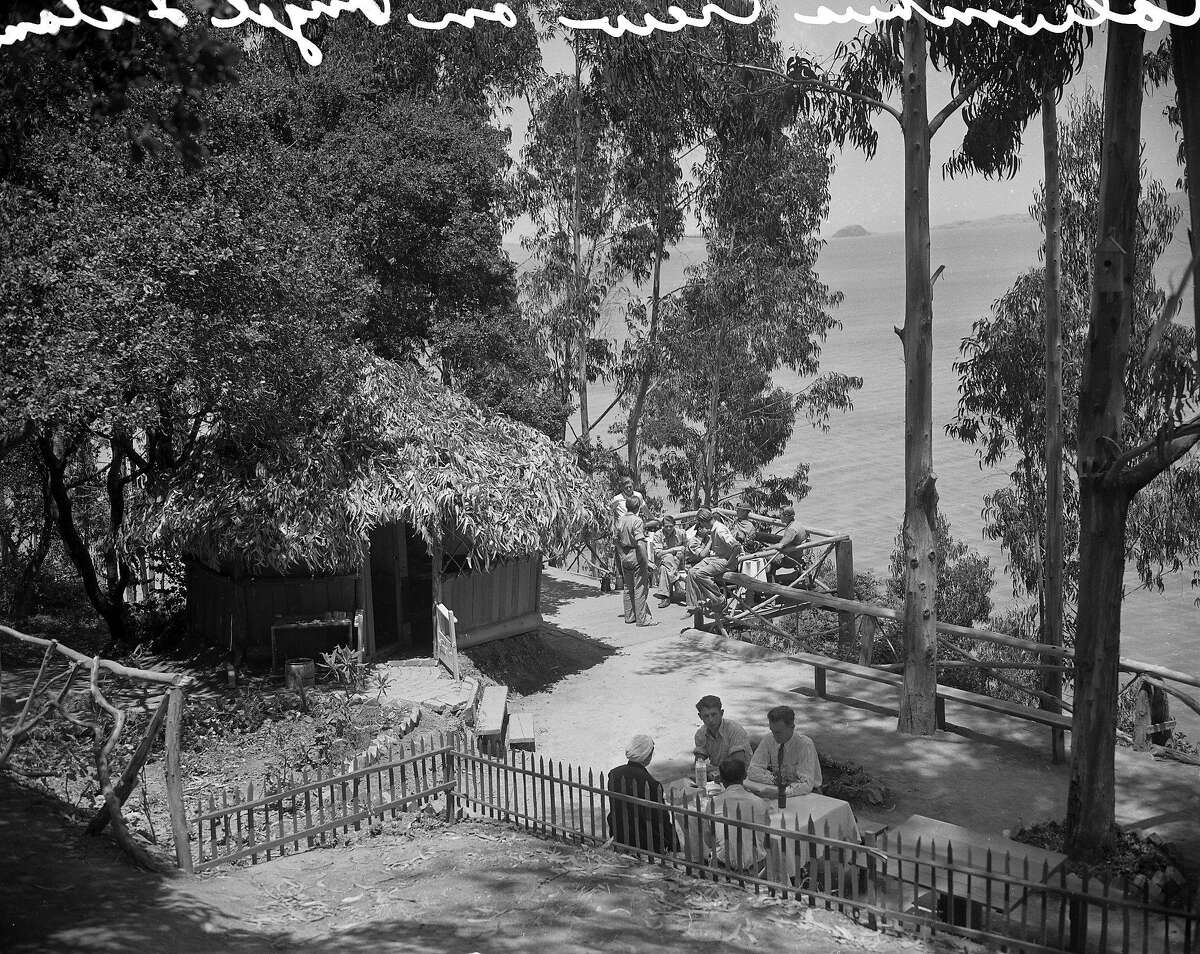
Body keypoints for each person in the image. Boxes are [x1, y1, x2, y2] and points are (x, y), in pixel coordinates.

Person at [606, 734, 677, 853]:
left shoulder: (614, 774)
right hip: (645, 839)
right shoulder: (651, 784)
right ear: (648, 756)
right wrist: (673, 842)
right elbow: (661, 818)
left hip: (621, 833)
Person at [745, 705, 822, 798]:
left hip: (809, 794)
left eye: (778, 732)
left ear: (792, 727)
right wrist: (775, 780)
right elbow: (752, 770)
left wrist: (781, 792)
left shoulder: (805, 745)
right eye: (772, 731)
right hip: (781, 789)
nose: (774, 736)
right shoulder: (769, 739)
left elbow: (806, 784)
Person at [708, 759, 769, 873]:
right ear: (745, 776)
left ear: (721, 779)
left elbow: (707, 838)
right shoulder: (760, 803)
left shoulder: (714, 803)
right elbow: (766, 836)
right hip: (755, 867)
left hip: (723, 866)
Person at [684, 508, 742, 616]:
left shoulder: (720, 530)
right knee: (691, 572)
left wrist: (730, 562)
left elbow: (737, 546)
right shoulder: (713, 529)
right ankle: (693, 605)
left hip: (723, 559)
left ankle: (719, 598)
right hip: (715, 558)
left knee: (700, 574)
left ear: (702, 521)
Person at [615, 496, 657, 626]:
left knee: (628, 587)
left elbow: (616, 540)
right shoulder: (637, 521)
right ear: (638, 507)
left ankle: (629, 616)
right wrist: (647, 561)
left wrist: (622, 555)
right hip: (636, 555)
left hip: (625, 556)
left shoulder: (620, 520)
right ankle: (642, 619)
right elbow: (640, 543)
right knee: (640, 588)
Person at [692, 695, 752, 773]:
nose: (710, 720)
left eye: (714, 715)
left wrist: (712, 770)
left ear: (721, 713)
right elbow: (698, 764)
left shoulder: (735, 730)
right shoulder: (700, 734)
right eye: (706, 716)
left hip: (741, 777)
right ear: (700, 716)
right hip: (718, 775)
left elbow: (738, 765)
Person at [609, 476, 646, 590]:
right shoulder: (617, 499)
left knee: (635, 549)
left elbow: (645, 509)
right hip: (622, 527)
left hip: (635, 525)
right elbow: (610, 511)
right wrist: (613, 526)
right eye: (626, 487)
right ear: (622, 488)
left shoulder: (638, 496)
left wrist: (653, 519)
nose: (629, 489)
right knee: (622, 552)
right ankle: (623, 580)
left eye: (630, 486)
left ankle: (634, 580)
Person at [762, 504, 809, 586]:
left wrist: (768, 548)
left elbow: (780, 546)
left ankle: (770, 584)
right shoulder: (797, 524)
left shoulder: (791, 529)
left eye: (780, 515)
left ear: (787, 516)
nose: (779, 516)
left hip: (790, 560)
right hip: (798, 556)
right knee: (771, 558)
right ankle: (772, 580)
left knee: (764, 556)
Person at [651, 514, 691, 608]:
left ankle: (666, 598)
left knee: (665, 568)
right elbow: (658, 554)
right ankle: (677, 583)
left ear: (674, 525)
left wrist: (680, 552)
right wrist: (674, 550)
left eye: (671, 526)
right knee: (667, 558)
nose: (668, 528)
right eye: (666, 526)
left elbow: (686, 547)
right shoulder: (658, 535)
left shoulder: (681, 533)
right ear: (662, 526)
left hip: (677, 562)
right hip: (661, 561)